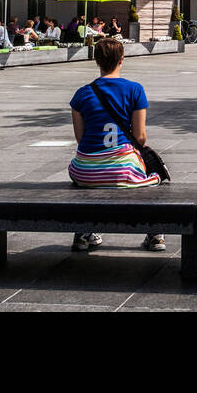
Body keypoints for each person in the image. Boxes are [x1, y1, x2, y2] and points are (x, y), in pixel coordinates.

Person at [67, 38, 165, 252]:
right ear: (122, 60)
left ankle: (84, 232)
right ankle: (155, 232)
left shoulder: (81, 94)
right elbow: (140, 137)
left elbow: (80, 139)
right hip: (123, 170)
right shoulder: (135, 90)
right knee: (152, 173)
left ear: (97, 61)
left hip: (85, 172)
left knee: (88, 172)